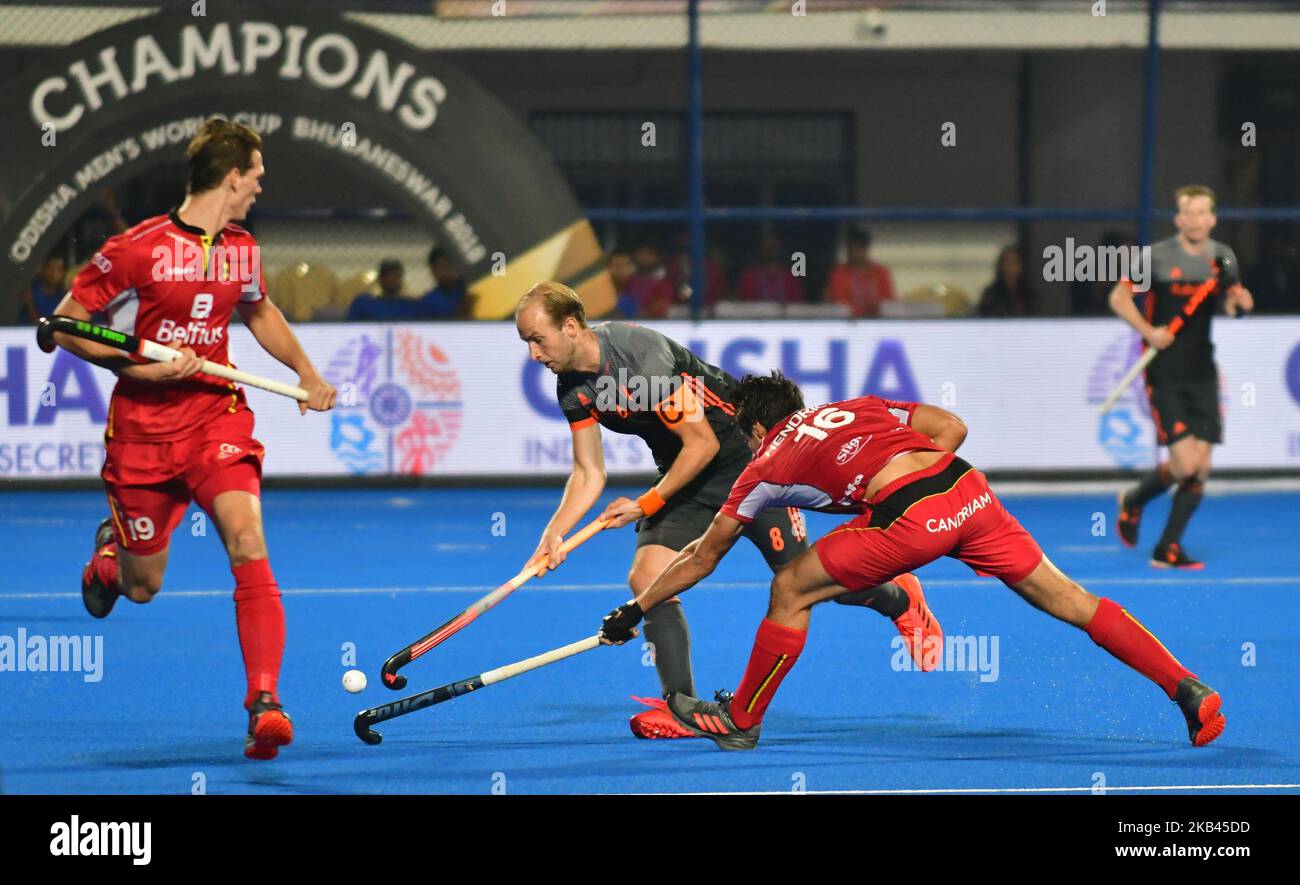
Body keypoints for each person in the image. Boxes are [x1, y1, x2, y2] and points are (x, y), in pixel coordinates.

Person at [597, 372, 1226, 751]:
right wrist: (918, 502)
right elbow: (951, 426)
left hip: (911, 519)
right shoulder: (856, 407)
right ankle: (1187, 688)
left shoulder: (763, 464)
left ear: (755, 429)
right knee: (1069, 599)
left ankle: (741, 720)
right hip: (969, 489)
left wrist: (637, 606)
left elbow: (701, 558)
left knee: (790, 586)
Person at [515, 283, 937, 739]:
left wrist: (645, 504)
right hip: (686, 475)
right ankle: (682, 709)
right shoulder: (572, 388)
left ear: (571, 326)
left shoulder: (640, 357)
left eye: (538, 340)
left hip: (751, 462)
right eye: (527, 343)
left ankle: (899, 598)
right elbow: (588, 472)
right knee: (647, 579)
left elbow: (704, 442)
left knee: (807, 580)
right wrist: (554, 534)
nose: (534, 355)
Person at [49, 117, 337, 760]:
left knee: (246, 536)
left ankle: (264, 704)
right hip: (144, 433)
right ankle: (109, 561)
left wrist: (307, 373)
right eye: (257, 177)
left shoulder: (242, 247)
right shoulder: (137, 247)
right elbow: (67, 325)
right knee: (144, 586)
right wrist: (139, 367)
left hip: (217, 418)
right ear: (232, 177)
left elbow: (258, 310)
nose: (261, 188)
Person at [1110, 185, 1254, 568]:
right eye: (1187, 213)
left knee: (1201, 467)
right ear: (1178, 219)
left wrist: (1239, 306)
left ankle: (1167, 548)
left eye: (1202, 213)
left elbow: (1230, 303)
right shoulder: (1155, 257)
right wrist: (1148, 330)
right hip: (1165, 374)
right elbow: (1119, 298)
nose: (1194, 220)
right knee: (1185, 465)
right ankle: (1134, 499)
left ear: (1212, 218)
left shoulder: (1222, 257)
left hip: (1203, 373)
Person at [825, 229, 895, 317]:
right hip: (849, 324)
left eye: (858, 248)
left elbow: (887, 301)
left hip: (879, 322)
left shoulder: (880, 272)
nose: (854, 252)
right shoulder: (839, 273)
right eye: (851, 248)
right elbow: (840, 304)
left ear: (865, 249)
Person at [735, 232, 804, 306]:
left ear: (779, 245)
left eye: (773, 244)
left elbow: (798, 307)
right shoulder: (748, 277)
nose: (769, 247)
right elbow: (744, 306)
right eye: (766, 244)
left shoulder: (791, 278)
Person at [347, 259, 418, 321]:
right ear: (380, 279)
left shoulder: (409, 305)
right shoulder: (365, 304)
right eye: (391, 277)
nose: (395, 281)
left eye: (397, 277)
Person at [978, 245, 1037, 317]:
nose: (1010, 266)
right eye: (1007, 261)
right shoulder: (991, 295)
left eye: (1014, 262)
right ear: (1001, 265)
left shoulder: (1030, 295)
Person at [417, 247, 473, 319]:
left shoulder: (468, 290)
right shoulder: (428, 302)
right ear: (432, 271)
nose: (443, 273)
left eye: (446, 267)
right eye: (438, 268)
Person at [17, 254, 67, 324]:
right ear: (42, 269)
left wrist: (30, 304)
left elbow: (46, 326)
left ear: (63, 273)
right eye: (50, 268)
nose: (54, 273)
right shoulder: (30, 290)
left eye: (59, 269)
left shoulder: (64, 299)